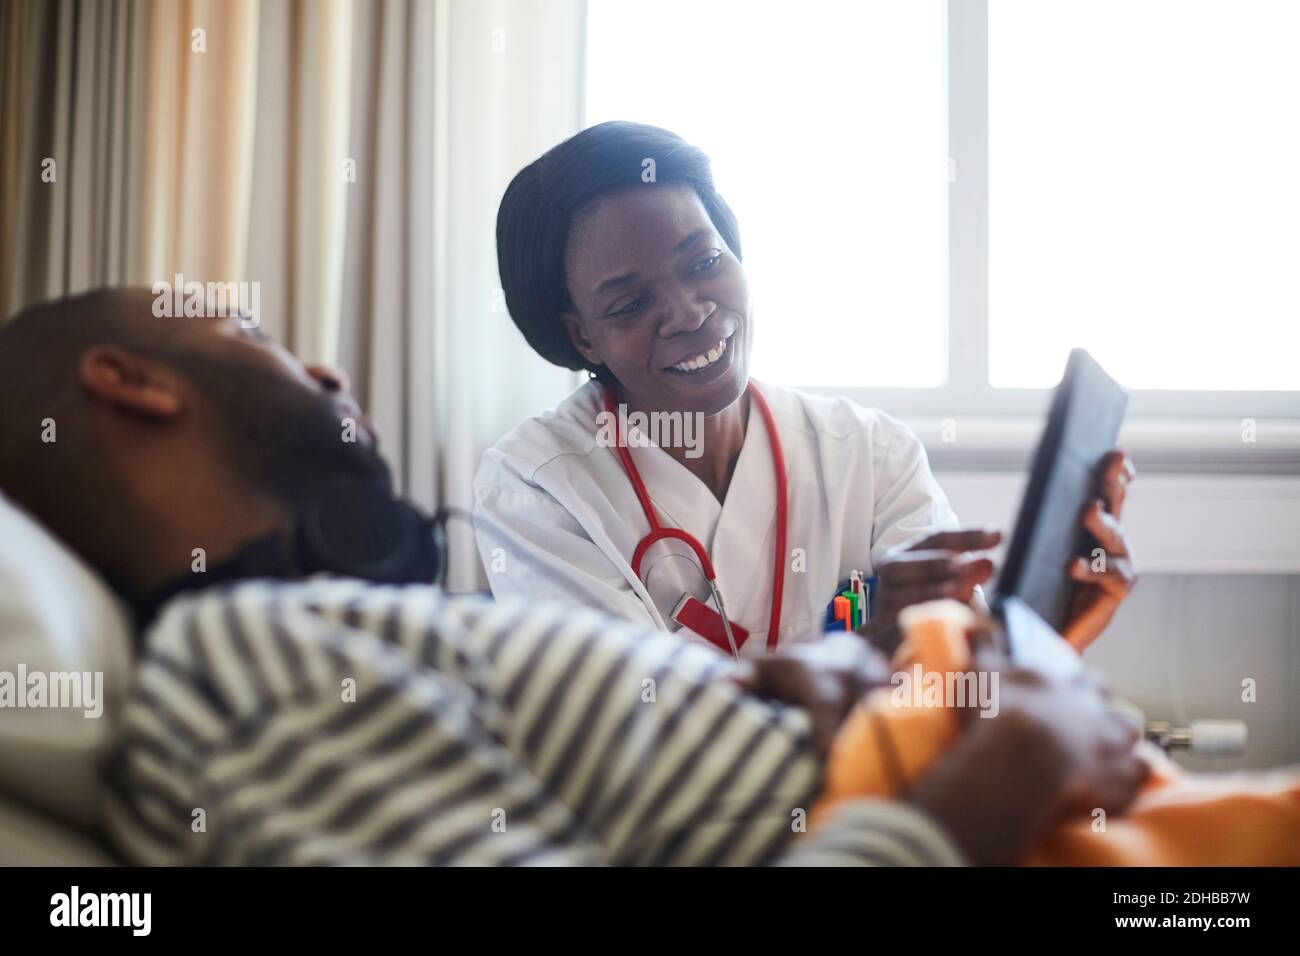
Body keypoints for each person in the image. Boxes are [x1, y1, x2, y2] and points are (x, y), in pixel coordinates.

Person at [0, 289, 1146, 866]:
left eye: (703, 261)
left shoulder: (332, 638)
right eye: (248, 327)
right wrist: (1011, 766)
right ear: (132, 381)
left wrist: (784, 686)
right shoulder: (238, 671)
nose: (320, 363)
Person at [476, 121, 1137, 658]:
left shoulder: (870, 457)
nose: (688, 312)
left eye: (705, 262)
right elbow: (637, 728)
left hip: (868, 813)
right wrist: (853, 643)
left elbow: (951, 674)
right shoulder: (536, 484)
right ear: (583, 338)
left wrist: (1048, 641)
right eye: (629, 304)